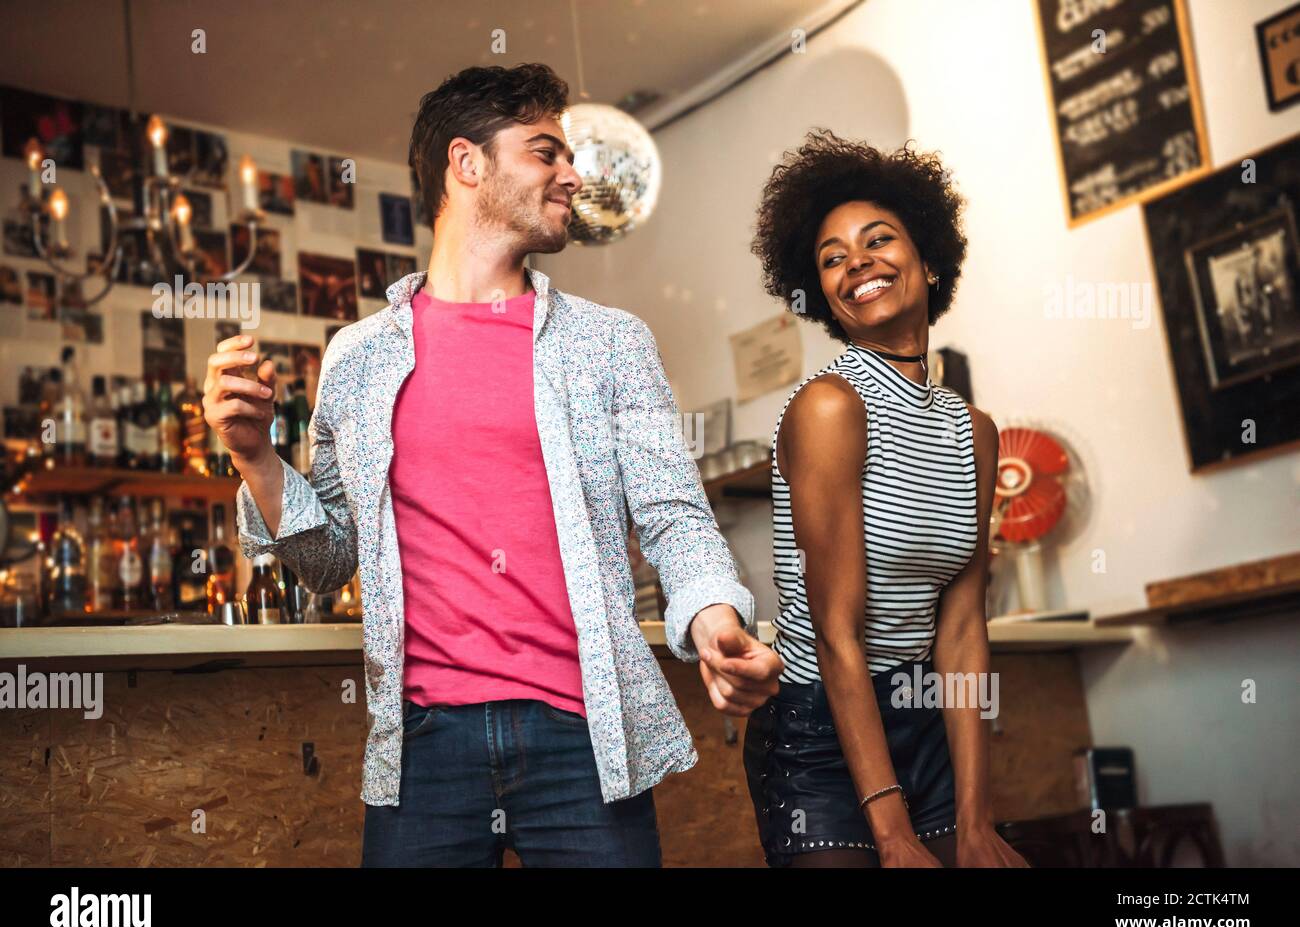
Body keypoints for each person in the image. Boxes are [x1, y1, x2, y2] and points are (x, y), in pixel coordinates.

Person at [201, 62, 781, 867]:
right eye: (546, 152)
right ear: (467, 164)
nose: (573, 175)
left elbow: (675, 517)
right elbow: (330, 562)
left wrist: (716, 618)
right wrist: (255, 456)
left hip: (584, 741)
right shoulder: (357, 359)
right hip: (422, 749)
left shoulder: (610, 344)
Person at [743, 130, 1028, 868]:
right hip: (821, 731)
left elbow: (963, 628)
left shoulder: (976, 431)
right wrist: (892, 831)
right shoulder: (830, 408)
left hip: (922, 716)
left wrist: (975, 817)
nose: (856, 262)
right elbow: (838, 631)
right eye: (832, 258)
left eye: (878, 241)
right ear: (825, 296)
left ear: (929, 262)